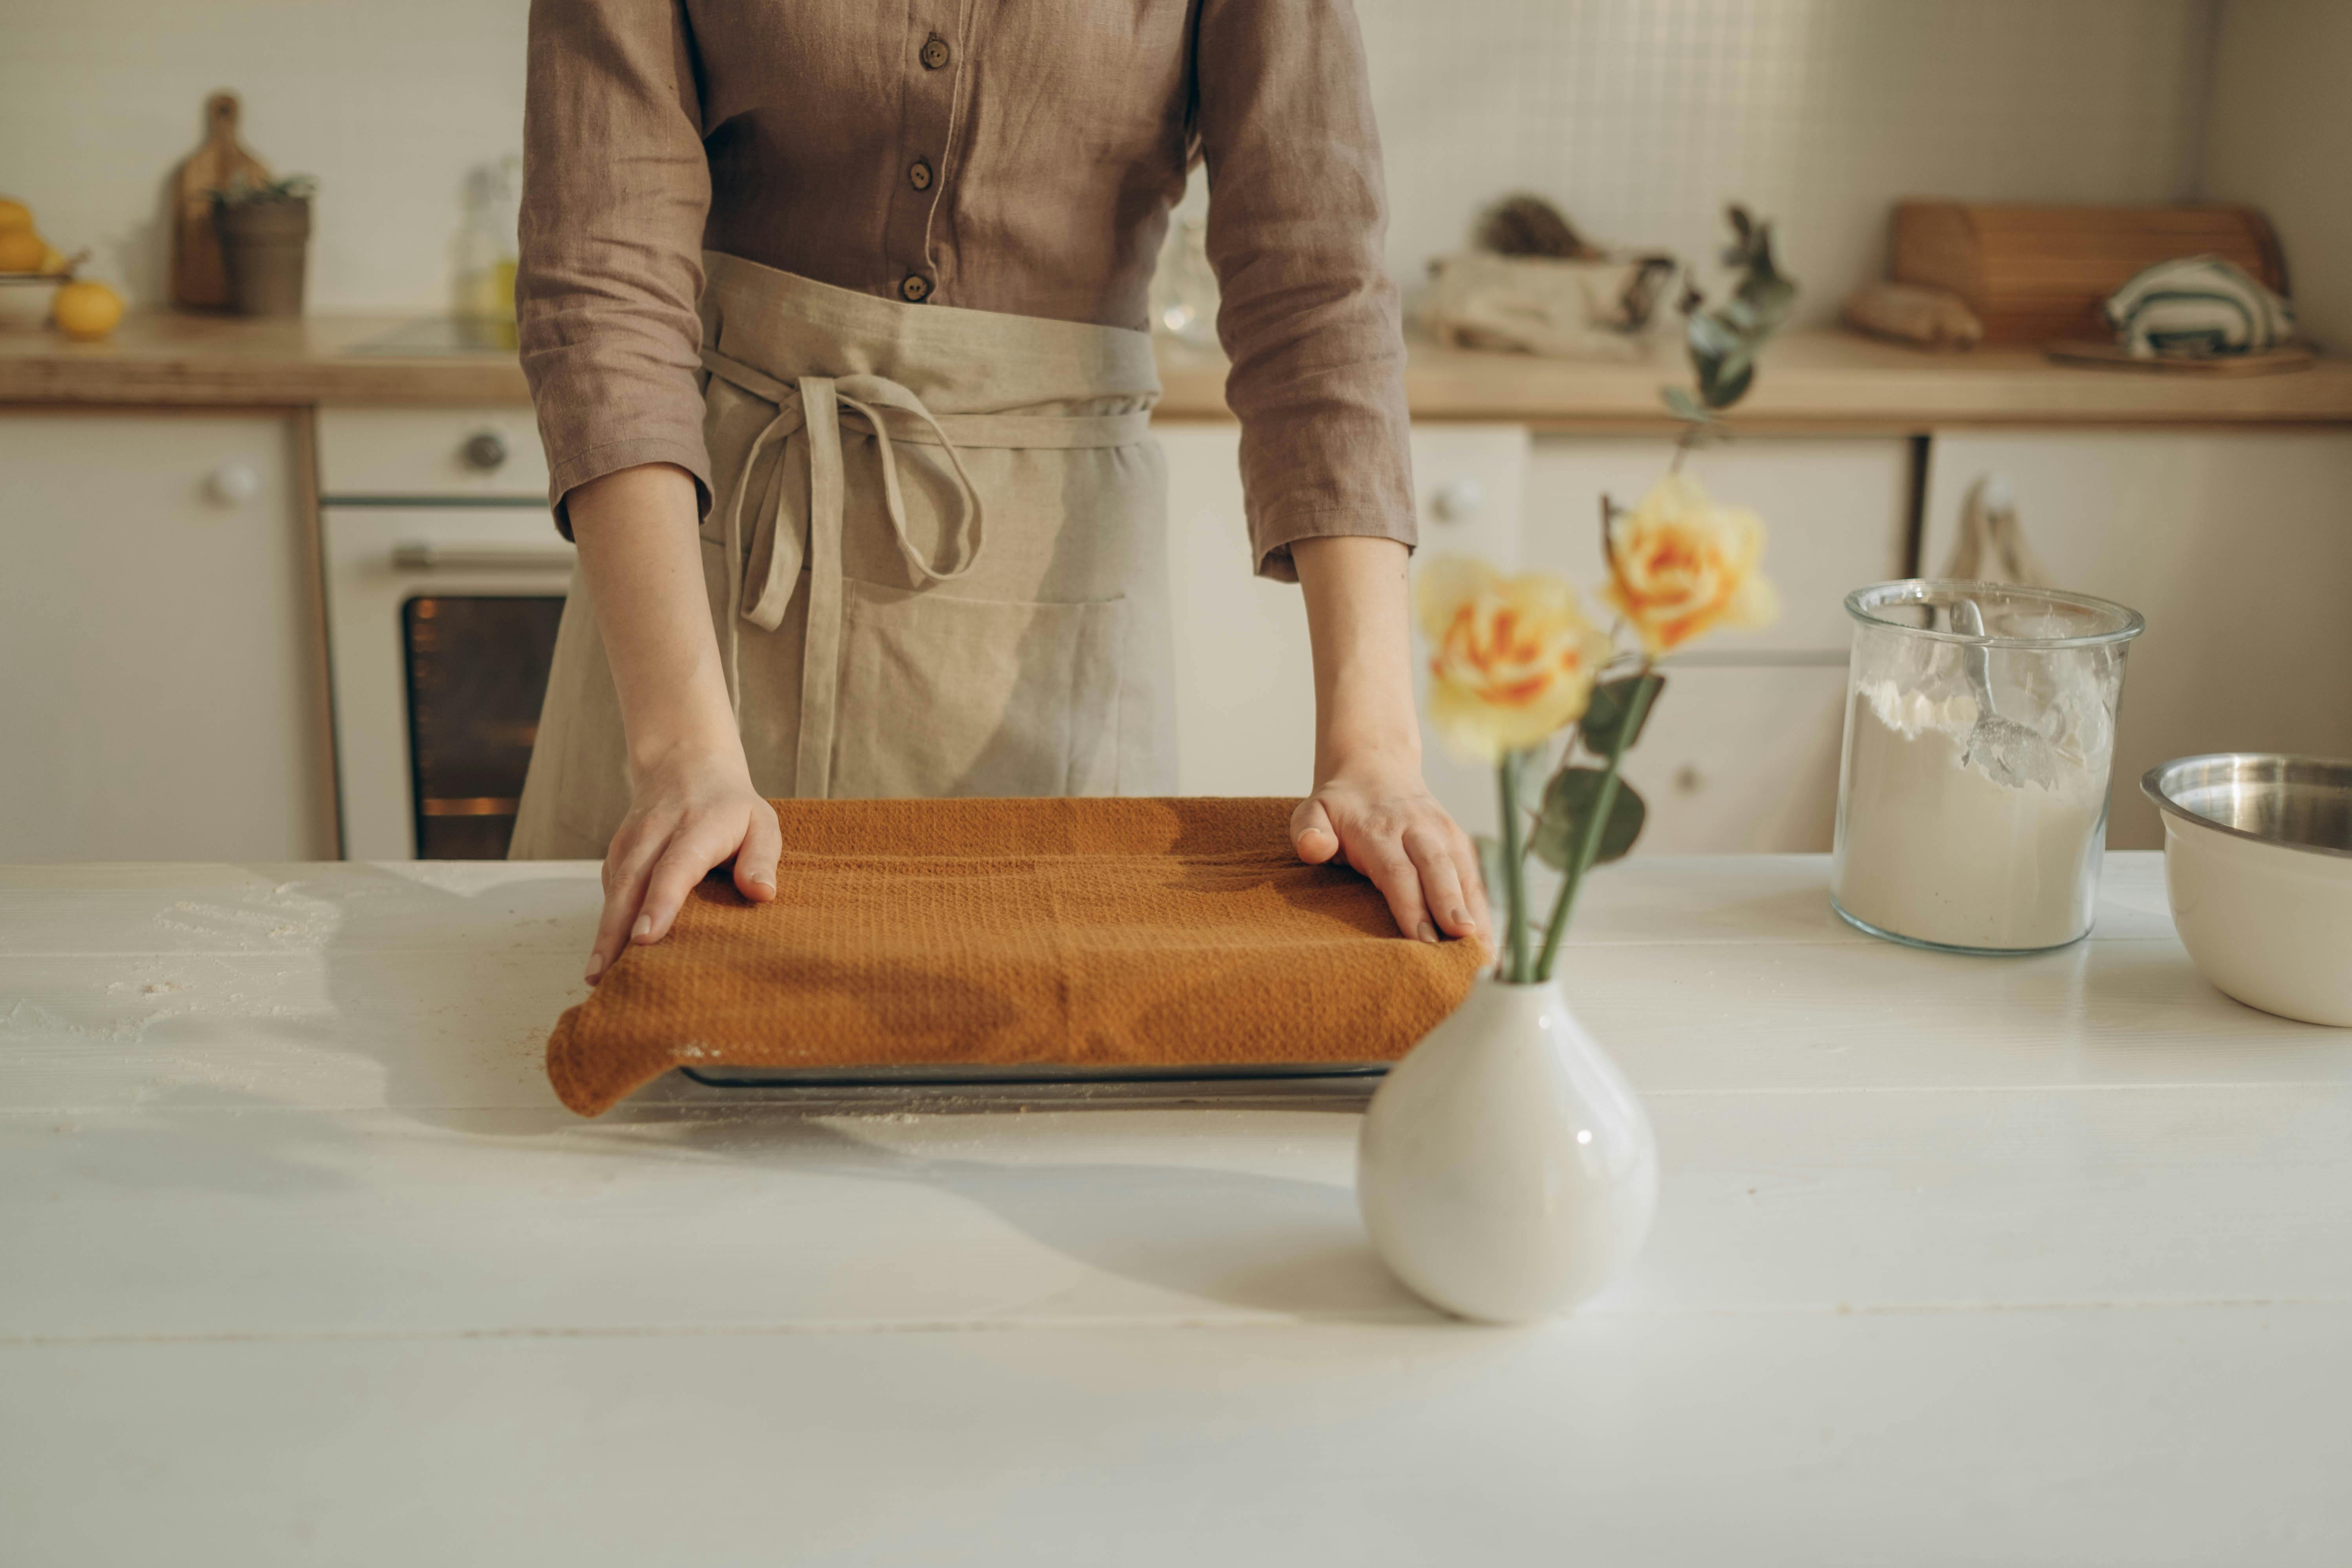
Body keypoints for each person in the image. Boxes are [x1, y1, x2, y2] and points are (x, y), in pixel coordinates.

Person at [509, 0, 1487, 985]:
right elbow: (605, 276)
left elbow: (1313, 291)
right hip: (695, 604)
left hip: (1047, 590)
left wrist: (1373, 754)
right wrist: (681, 754)